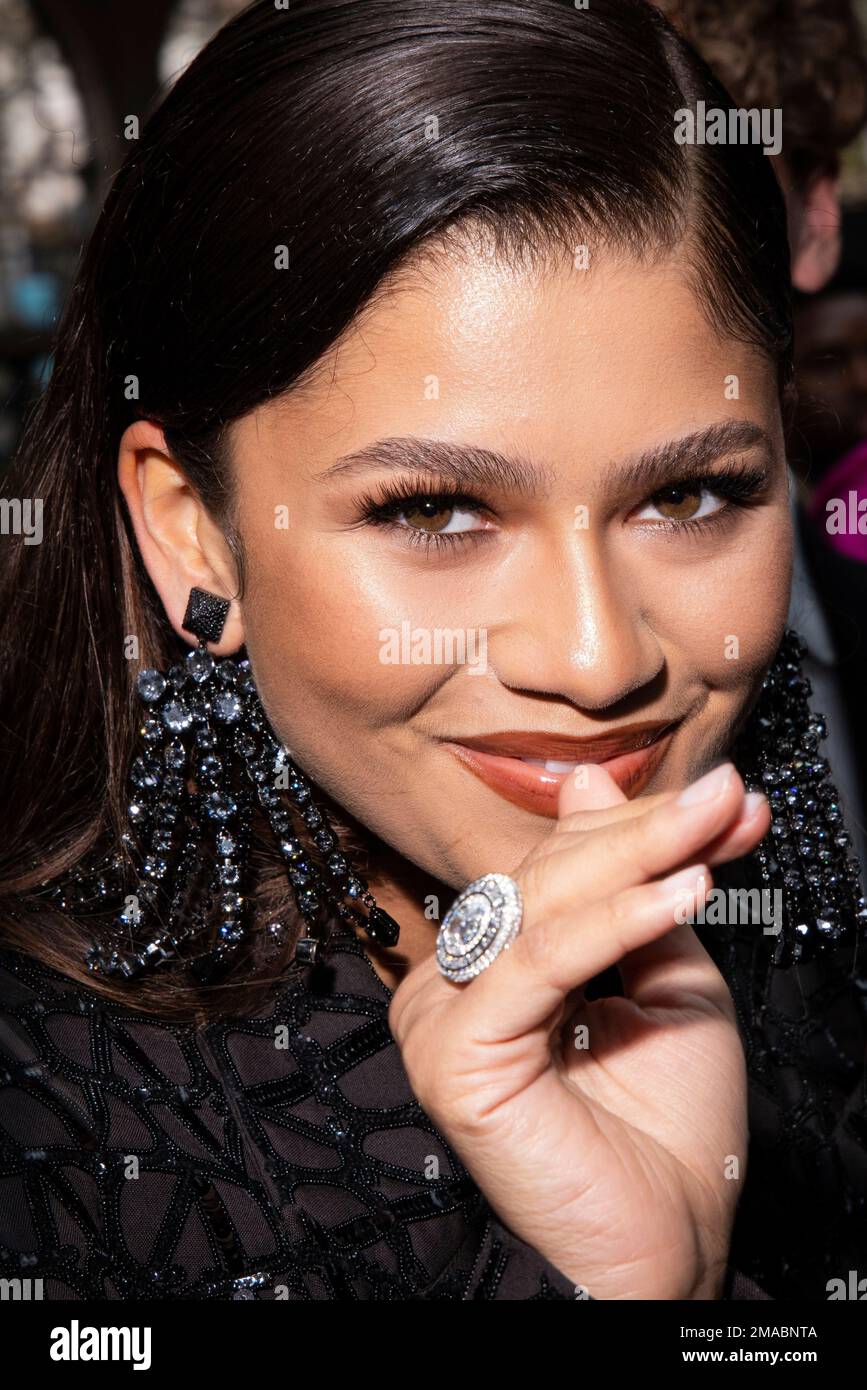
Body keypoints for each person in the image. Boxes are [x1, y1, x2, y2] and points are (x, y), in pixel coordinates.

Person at [0, 0, 865, 1302]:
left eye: (687, 496)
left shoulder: (781, 934)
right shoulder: (52, 1141)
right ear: (195, 532)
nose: (595, 656)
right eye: (434, 512)